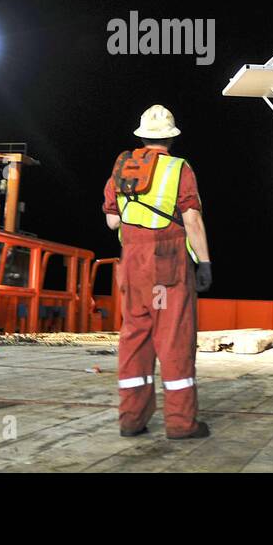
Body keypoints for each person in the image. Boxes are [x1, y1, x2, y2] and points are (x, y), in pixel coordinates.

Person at [102, 105, 212, 439]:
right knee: (173, 337)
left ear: (142, 136)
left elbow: (112, 220)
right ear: (170, 139)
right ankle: (180, 423)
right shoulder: (179, 168)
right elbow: (191, 219)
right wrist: (204, 262)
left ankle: (131, 419)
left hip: (132, 265)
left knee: (134, 337)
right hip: (167, 262)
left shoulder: (122, 167)